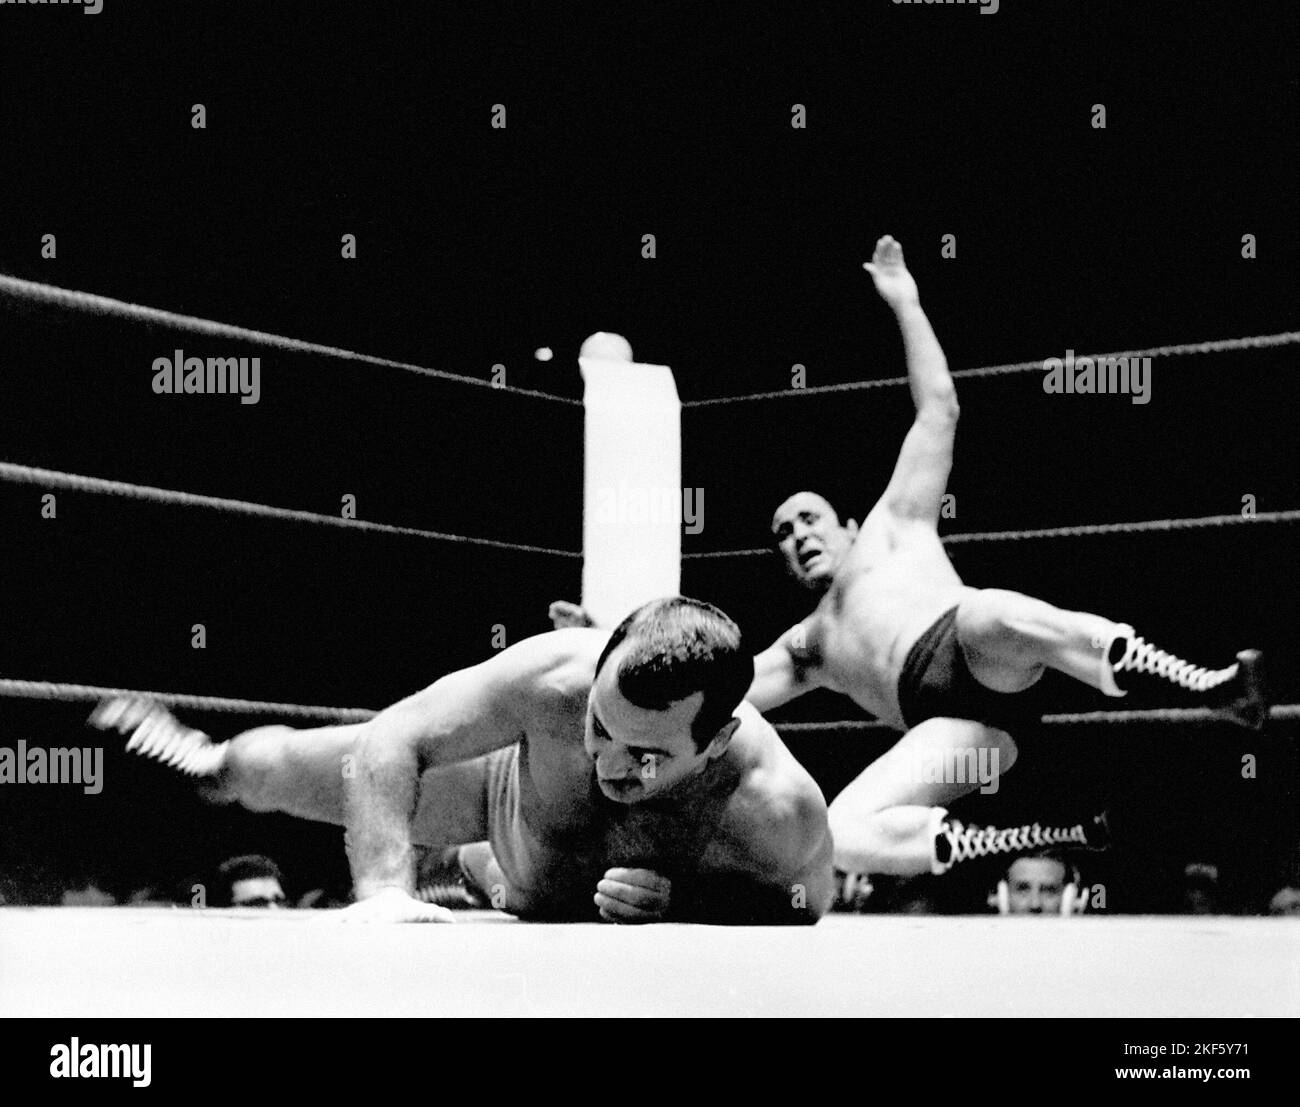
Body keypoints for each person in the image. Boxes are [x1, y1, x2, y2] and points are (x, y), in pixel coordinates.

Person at [747, 235, 1266, 882]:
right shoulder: (806, 645)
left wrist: (905, 300)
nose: (797, 533)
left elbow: (939, 408)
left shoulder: (892, 522)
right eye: (782, 533)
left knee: (987, 611)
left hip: (982, 652)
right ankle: (1044, 836)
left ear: (848, 525)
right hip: (964, 733)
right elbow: (719, 690)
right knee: (842, 833)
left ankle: (1210, 686)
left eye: (809, 517)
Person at [90, 597, 833, 924]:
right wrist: (383, 891)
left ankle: (484, 869)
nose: (608, 760)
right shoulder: (554, 679)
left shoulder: (775, 805)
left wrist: (685, 901)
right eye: (601, 725)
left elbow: (808, 901)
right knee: (271, 772)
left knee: (524, 882)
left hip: (541, 870)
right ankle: (211, 757)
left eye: (644, 755)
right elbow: (394, 734)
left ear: (715, 740)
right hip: (500, 787)